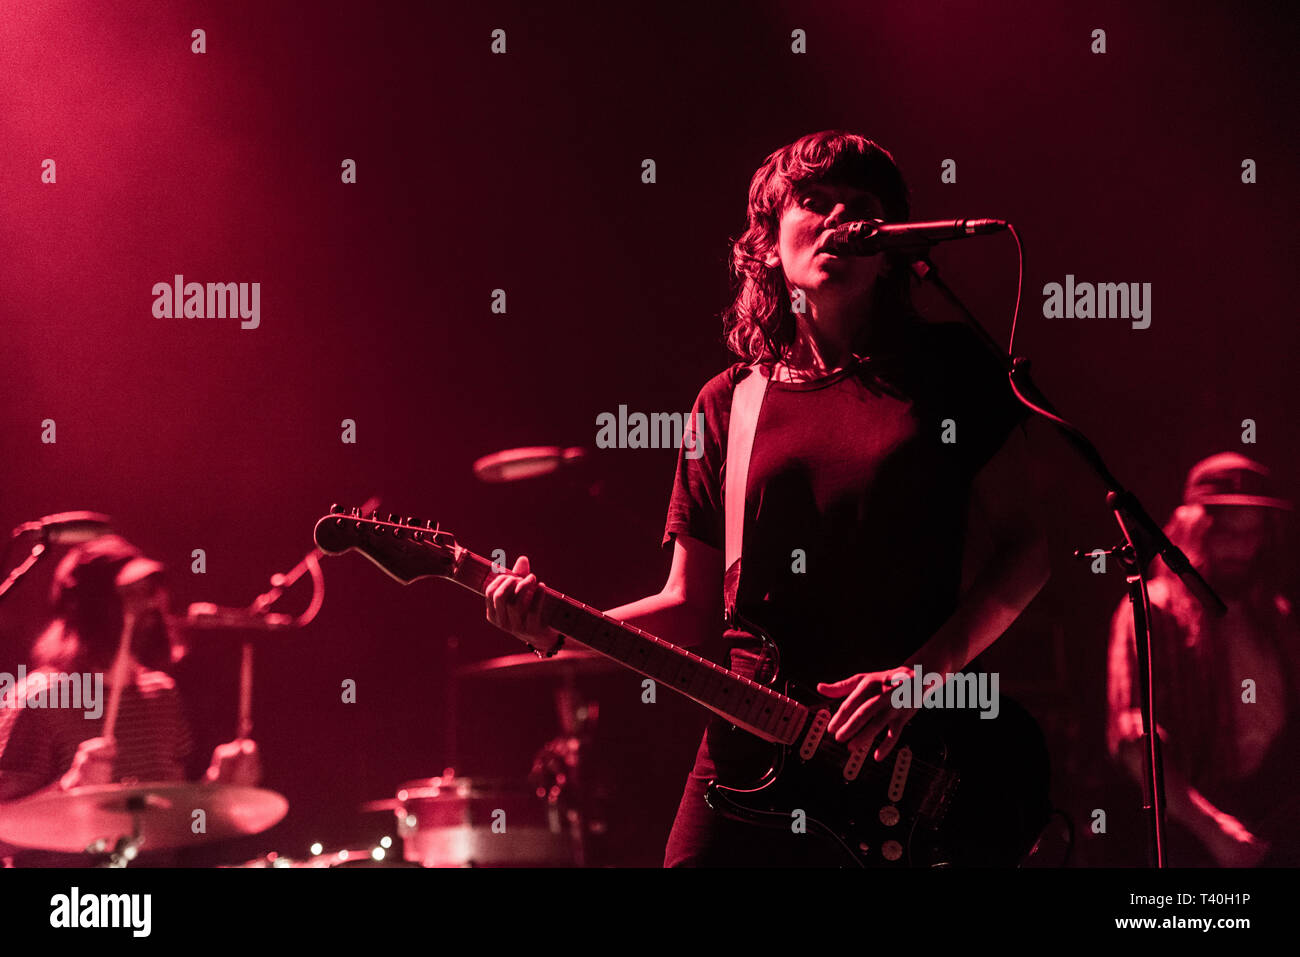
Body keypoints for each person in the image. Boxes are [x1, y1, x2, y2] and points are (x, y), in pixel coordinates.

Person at [485, 130, 1050, 866]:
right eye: (814, 202)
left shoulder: (949, 369)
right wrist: (551, 623)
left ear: (891, 252)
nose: (840, 217)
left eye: (864, 207)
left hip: (904, 759)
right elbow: (689, 604)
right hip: (745, 758)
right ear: (770, 240)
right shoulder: (729, 403)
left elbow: (1028, 549)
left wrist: (922, 674)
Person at [0, 534, 260, 865]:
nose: (149, 605)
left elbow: (168, 820)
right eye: (129, 594)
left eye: (150, 592)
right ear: (86, 608)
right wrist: (67, 790)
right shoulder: (42, 700)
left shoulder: (161, 695)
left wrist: (220, 789)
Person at [1106, 452, 1299, 866]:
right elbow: (1130, 735)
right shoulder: (1151, 608)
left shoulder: (1274, 613)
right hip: (1189, 832)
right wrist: (1213, 828)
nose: (1241, 549)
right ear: (1194, 530)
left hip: (1270, 820)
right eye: (1226, 533)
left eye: (1252, 534)